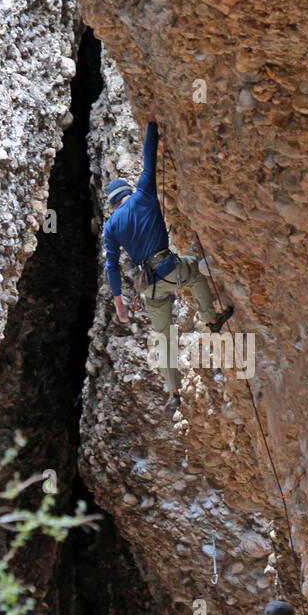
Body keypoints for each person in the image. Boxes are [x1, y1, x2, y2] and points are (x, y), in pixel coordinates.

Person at [104, 101, 233, 413]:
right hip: (170, 269)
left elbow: (111, 263)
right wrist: (151, 122)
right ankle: (211, 318)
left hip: (149, 287)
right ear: (127, 192)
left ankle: (173, 392)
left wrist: (119, 302)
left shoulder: (111, 226)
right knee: (195, 273)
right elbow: (150, 158)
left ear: (112, 204)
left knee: (163, 338)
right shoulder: (144, 192)